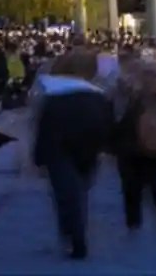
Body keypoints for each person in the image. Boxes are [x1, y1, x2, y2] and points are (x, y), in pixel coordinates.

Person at [33, 50, 113, 260]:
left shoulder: (53, 95)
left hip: (59, 151)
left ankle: (73, 235)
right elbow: (108, 125)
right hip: (88, 150)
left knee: (66, 194)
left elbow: (44, 128)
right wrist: (106, 148)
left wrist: (39, 158)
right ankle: (76, 233)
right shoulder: (98, 96)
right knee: (80, 192)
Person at [112, 56, 156, 232]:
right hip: (154, 149)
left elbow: (117, 120)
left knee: (132, 187)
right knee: (155, 184)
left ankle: (134, 222)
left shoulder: (126, 96)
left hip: (131, 148)